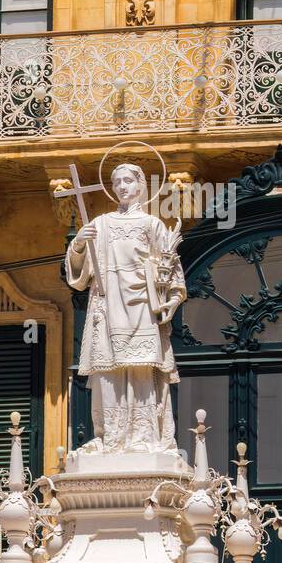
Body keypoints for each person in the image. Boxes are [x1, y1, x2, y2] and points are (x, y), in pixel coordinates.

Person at [65, 163, 186, 455]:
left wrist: (171, 299)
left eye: (128, 181)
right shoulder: (101, 223)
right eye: (117, 181)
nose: (122, 187)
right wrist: (79, 244)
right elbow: (80, 275)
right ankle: (111, 438)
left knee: (142, 369)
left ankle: (143, 438)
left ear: (141, 185)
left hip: (142, 306)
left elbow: (169, 265)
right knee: (107, 371)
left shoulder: (151, 224)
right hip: (106, 306)